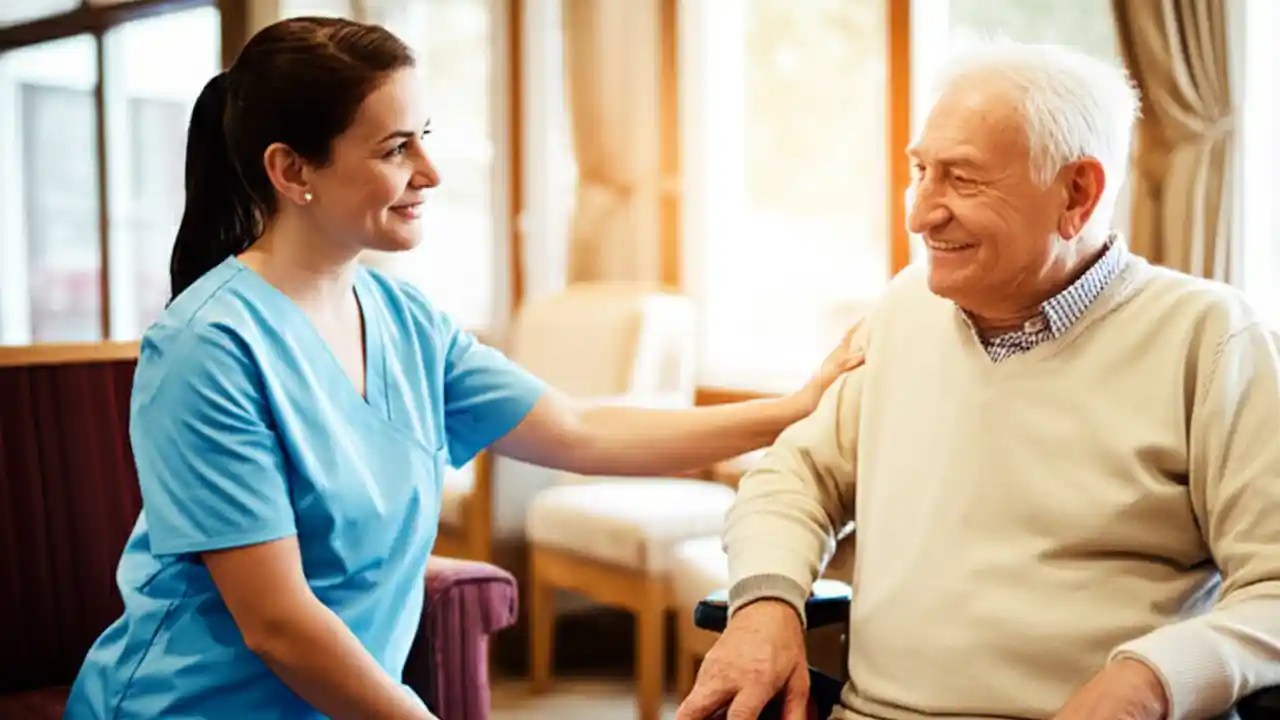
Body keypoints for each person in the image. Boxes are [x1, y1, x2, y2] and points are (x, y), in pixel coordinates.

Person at [63, 17, 864, 720]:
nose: (431, 171)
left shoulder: (404, 319)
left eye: (425, 136)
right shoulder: (206, 348)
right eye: (395, 148)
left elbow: (580, 430)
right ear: (293, 171)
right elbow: (277, 623)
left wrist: (792, 409)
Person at [678, 39, 1280, 720]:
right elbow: (793, 478)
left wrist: (1152, 681)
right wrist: (765, 602)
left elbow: (1274, 587)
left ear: (1077, 194)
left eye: (961, 180)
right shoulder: (907, 308)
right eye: (921, 171)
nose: (920, 213)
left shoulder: (1210, 337)